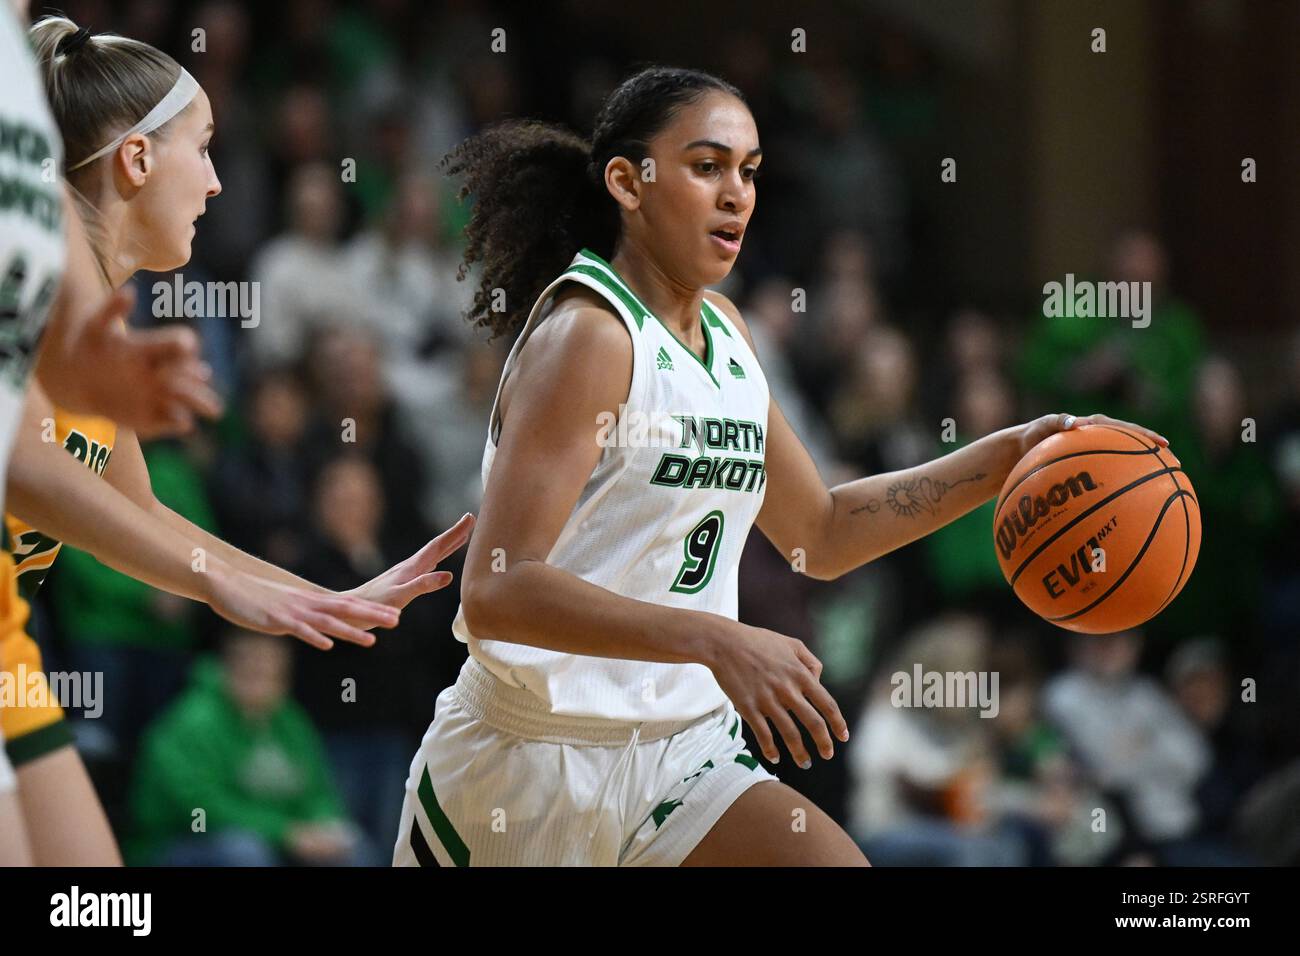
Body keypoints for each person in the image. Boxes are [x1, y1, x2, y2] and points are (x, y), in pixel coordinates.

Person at [393, 64, 1169, 867]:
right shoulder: (590, 337)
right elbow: (498, 590)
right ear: (627, 181)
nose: (737, 194)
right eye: (707, 167)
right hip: (529, 766)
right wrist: (718, 641)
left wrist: (1005, 458)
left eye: (749, 171)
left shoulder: (727, 334)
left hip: (679, 755)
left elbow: (822, 533)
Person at [1, 14, 473, 865]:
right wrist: (219, 585)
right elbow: (22, 474)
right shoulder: (27, 278)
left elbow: (141, 517)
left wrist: (314, 599)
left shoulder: (100, 317)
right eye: (204, 147)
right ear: (137, 161)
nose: (217, 183)